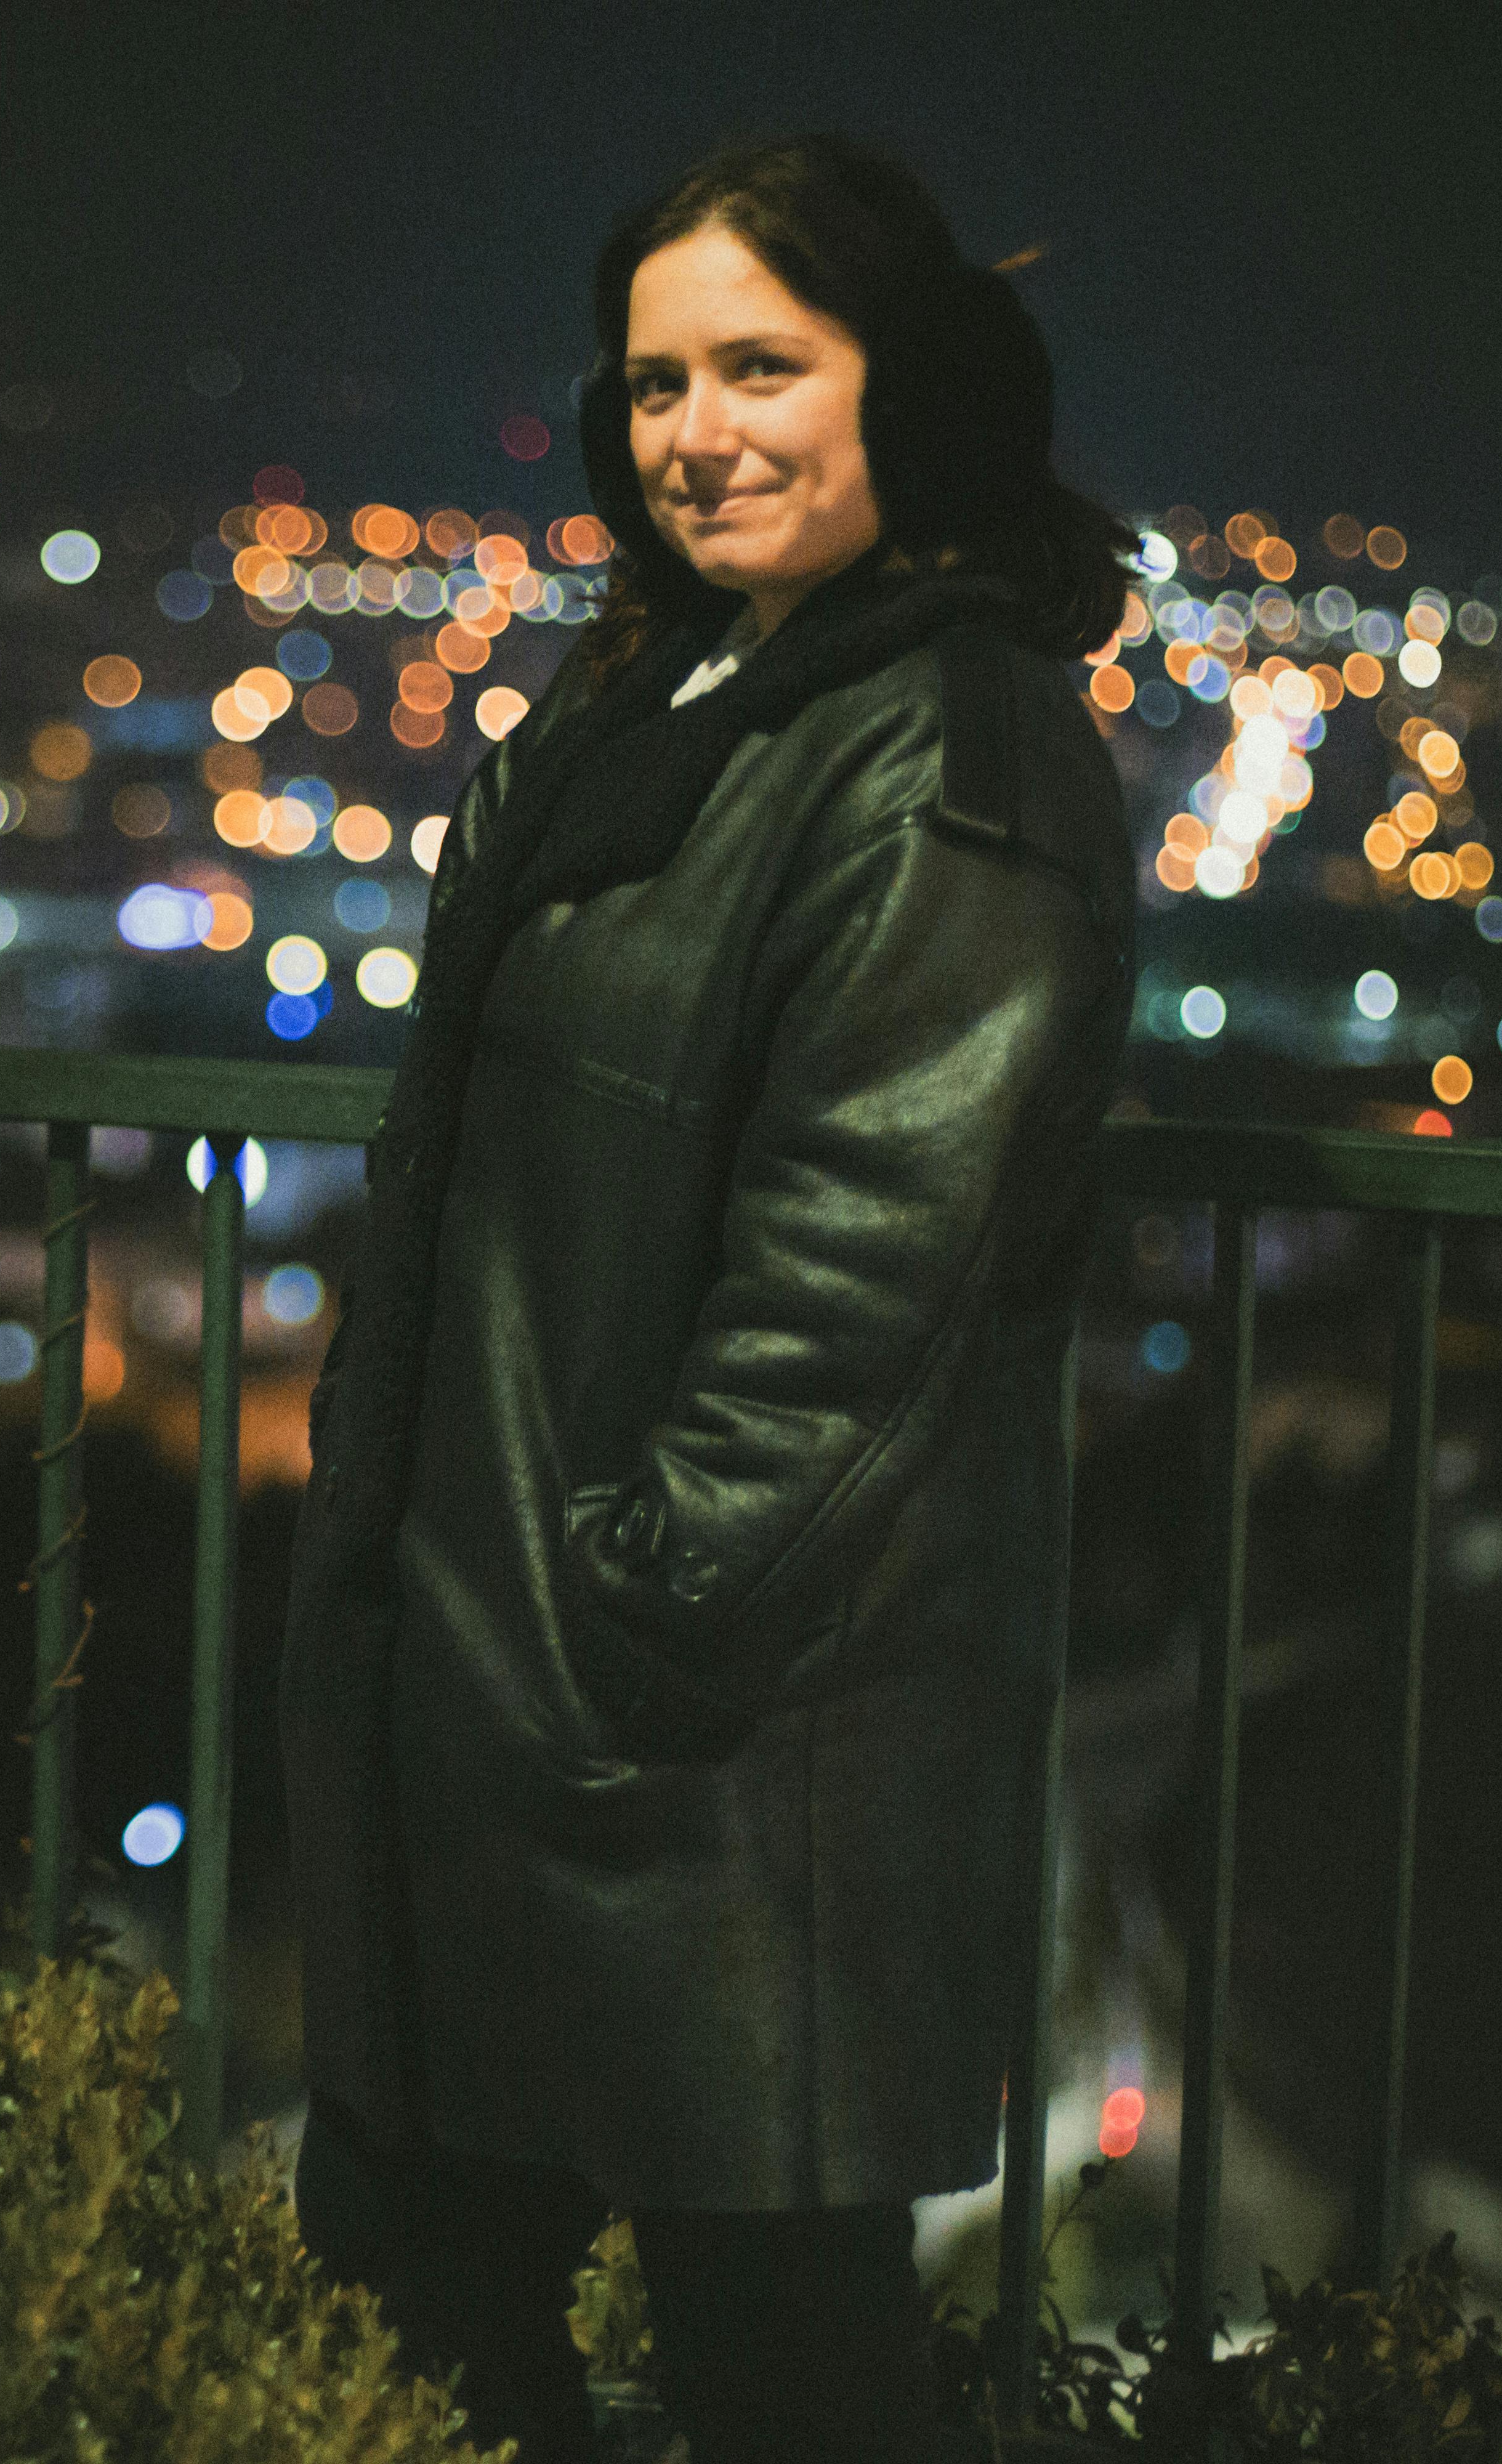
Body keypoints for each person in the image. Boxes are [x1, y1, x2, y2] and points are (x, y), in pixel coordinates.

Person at [277, 132, 1137, 2462]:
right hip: (534, 1731)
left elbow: (868, 1279)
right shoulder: (685, 699)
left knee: (783, 2387)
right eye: (657, 379)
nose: (696, 431)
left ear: (917, 397)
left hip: (726, 1771)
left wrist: (616, 1614)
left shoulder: (951, 755)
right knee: (407, 2316)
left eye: (767, 363)